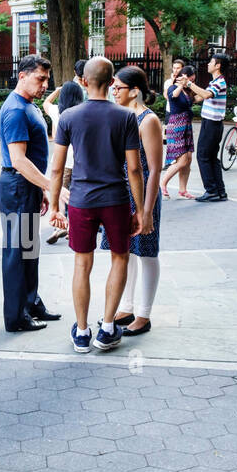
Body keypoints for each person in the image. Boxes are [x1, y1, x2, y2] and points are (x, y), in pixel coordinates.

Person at [47, 57, 145, 354]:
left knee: (82, 263)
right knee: (119, 259)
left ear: (84, 81)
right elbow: (134, 169)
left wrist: (54, 205)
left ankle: (82, 330)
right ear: (112, 81)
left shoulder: (69, 117)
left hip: (80, 199)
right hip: (114, 198)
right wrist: (139, 209)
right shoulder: (126, 117)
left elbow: (57, 167)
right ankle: (106, 327)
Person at [0, 54, 62, 332]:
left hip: (27, 185)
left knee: (28, 248)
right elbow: (19, 160)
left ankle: (31, 302)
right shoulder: (15, 110)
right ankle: (16, 317)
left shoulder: (29, 105)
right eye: (40, 78)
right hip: (17, 185)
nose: (45, 84)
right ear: (22, 76)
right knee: (17, 251)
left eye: (47, 79)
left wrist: (41, 189)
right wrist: (50, 185)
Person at [108, 66, 164, 335]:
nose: (113, 92)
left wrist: (148, 209)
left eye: (118, 87)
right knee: (124, 251)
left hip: (143, 195)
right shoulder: (122, 116)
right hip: (121, 193)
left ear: (135, 91)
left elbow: (154, 168)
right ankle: (127, 306)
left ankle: (144, 314)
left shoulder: (148, 120)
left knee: (147, 252)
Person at [44, 61, 85, 245]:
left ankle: (60, 224)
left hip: (61, 160)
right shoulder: (83, 112)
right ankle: (75, 227)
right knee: (76, 194)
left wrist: (58, 90)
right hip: (79, 160)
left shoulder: (56, 111)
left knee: (59, 191)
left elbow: (45, 102)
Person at [193, 54, 230, 203]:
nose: (208, 64)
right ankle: (220, 191)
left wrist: (189, 85)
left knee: (202, 156)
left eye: (211, 62)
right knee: (212, 158)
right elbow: (198, 98)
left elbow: (206, 95)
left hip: (212, 124)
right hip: (212, 124)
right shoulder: (214, 82)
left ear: (218, 65)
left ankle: (211, 190)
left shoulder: (219, 82)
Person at [160, 62, 199, 199]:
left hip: (186, 126)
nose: (191, 82)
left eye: (193, 80)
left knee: (188, 159)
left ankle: (183, 189)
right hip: (176, 127)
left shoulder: (188, 91)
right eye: (190, 79)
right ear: (184, 77)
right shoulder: (173, 87)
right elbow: (172, 97)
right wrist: (182, 84)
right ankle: (163, 183)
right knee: (181, 160)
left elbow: (197, 98)